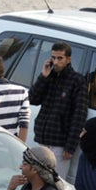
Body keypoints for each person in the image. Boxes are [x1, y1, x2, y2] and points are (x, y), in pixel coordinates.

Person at [31, 42, 89, 178]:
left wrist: (70, 146)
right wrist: (43, 77)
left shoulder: (77, 81)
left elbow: (79, 115)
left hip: (60, 144)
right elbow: (33, 99)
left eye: (60, 58)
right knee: (39, 179)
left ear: (68, 59)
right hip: (43, 139)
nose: (56, 62)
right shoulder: (49, 77)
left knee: (56, 182)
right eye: (53, 58)